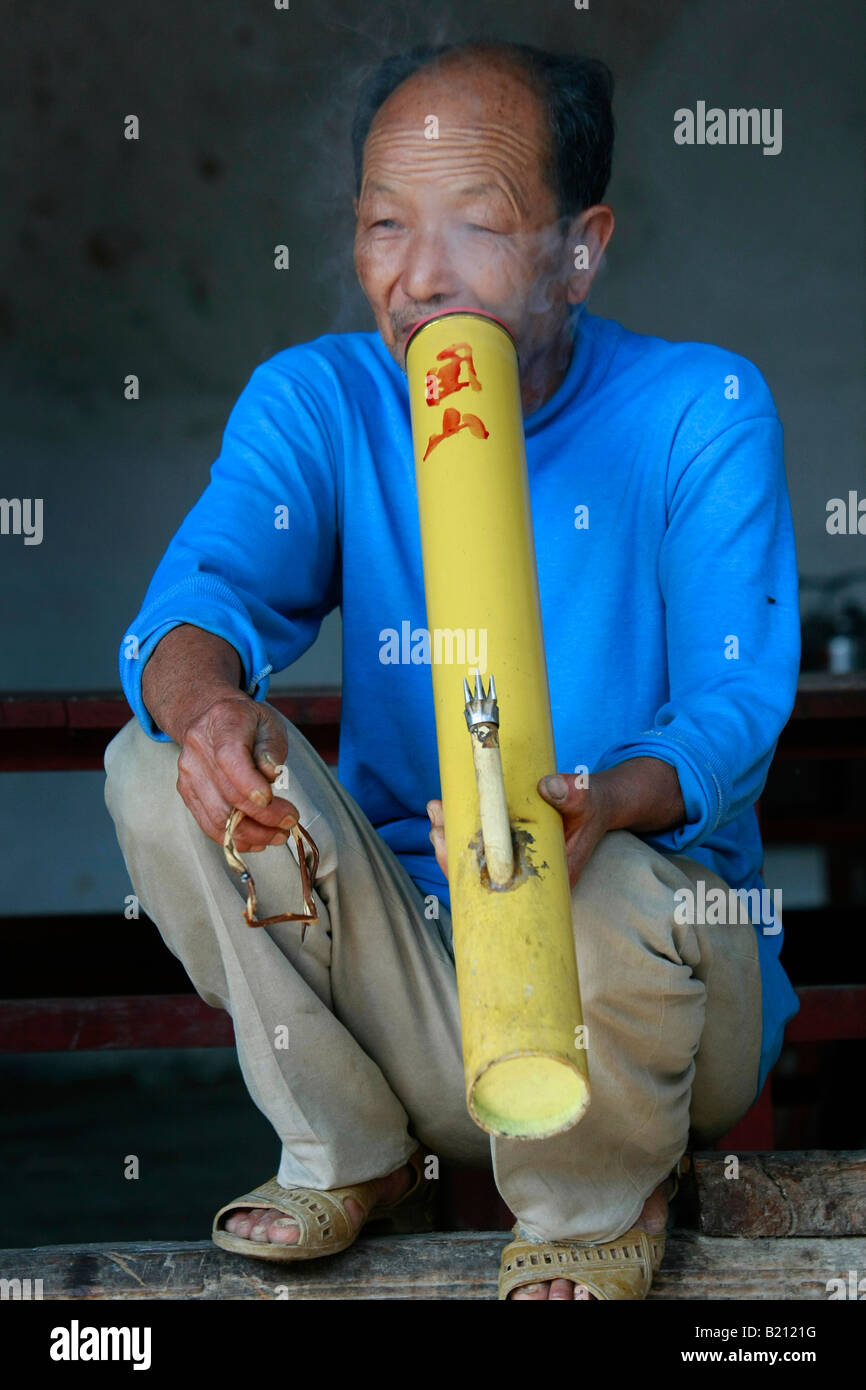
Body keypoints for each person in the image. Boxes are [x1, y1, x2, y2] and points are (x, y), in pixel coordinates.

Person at [104, 38, 801, 1300]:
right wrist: (205, 711)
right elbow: (199, 604)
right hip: (412, 974)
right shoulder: (321, 401)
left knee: (588, 883)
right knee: (153, 765)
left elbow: (734, 706)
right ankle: (346, 1144)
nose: (418, 279)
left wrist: (607, 802)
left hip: (650, 990)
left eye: (475, 227)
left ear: (579, 249)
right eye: (382, 226)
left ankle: (598, 1196)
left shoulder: (700, 407)